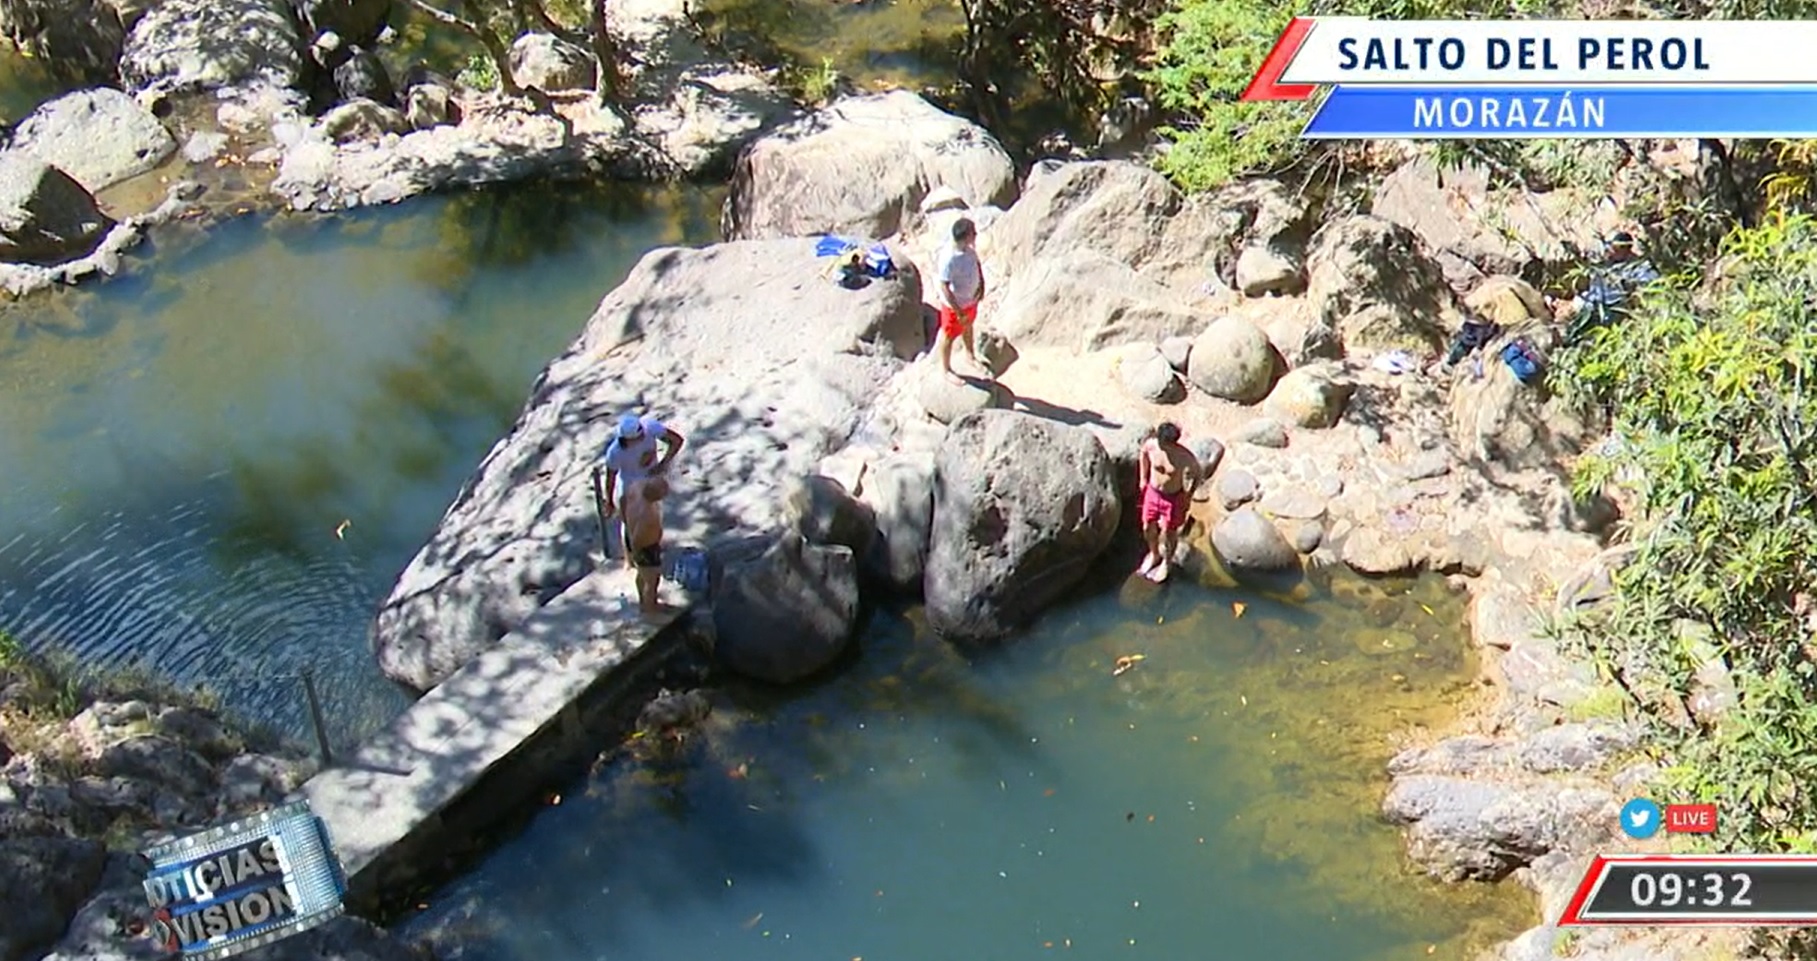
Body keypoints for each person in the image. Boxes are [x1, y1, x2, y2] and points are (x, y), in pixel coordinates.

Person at [601, 413, 685, 563]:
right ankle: (631, 559)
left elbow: (676, 440)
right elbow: (611, 478)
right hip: (629, 484)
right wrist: (609, 501)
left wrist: (663, 464)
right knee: (629, 523)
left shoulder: (651, 428)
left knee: (654, 517)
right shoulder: (615, 453)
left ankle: (653, 550)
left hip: (651, 480)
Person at [1561, 231, 1660, 344]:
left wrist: (1629, 285)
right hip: (1592, 308)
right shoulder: (1604, 264)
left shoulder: (1637, 265)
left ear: (1624, 249)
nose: (1608, 251)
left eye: (1613, 248)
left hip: (1617, 310)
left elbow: (1651, 280)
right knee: (1572, 335)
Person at [1136, 422, 1203, 583]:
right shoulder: (1152, 445)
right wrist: (1143, 477)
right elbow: (1143, 454)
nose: (1161, 445)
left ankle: (1166, 563)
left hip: (1173, 497)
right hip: (1153, 492)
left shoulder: (1184, 457)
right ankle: (1154, 553)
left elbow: (1197, 473)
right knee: (1147, 526)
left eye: (1164, 444)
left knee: (1169, 532)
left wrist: (1188, 495)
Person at [933, 217, 987, 386]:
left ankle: (969, 355)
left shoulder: (969, 250)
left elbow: (977, 265)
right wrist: (958, 311)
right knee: (948, 335)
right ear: (965, 237)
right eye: (973, 233)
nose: (976, 235)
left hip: (970, 300)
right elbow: (944, 286)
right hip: (955, 306)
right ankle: (946, 369)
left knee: (968, 327)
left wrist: (982, 285)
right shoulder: (949, 258)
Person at [622, 476, 675, 618]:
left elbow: (622, 501)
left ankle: (643, 601)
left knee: (642, 574)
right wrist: (634, 553)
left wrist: (626, 523)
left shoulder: (636, 485)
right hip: (644, 547)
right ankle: (650, 609)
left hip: (630, 531)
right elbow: (638, 539)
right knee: (652, 579)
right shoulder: (647, 514)